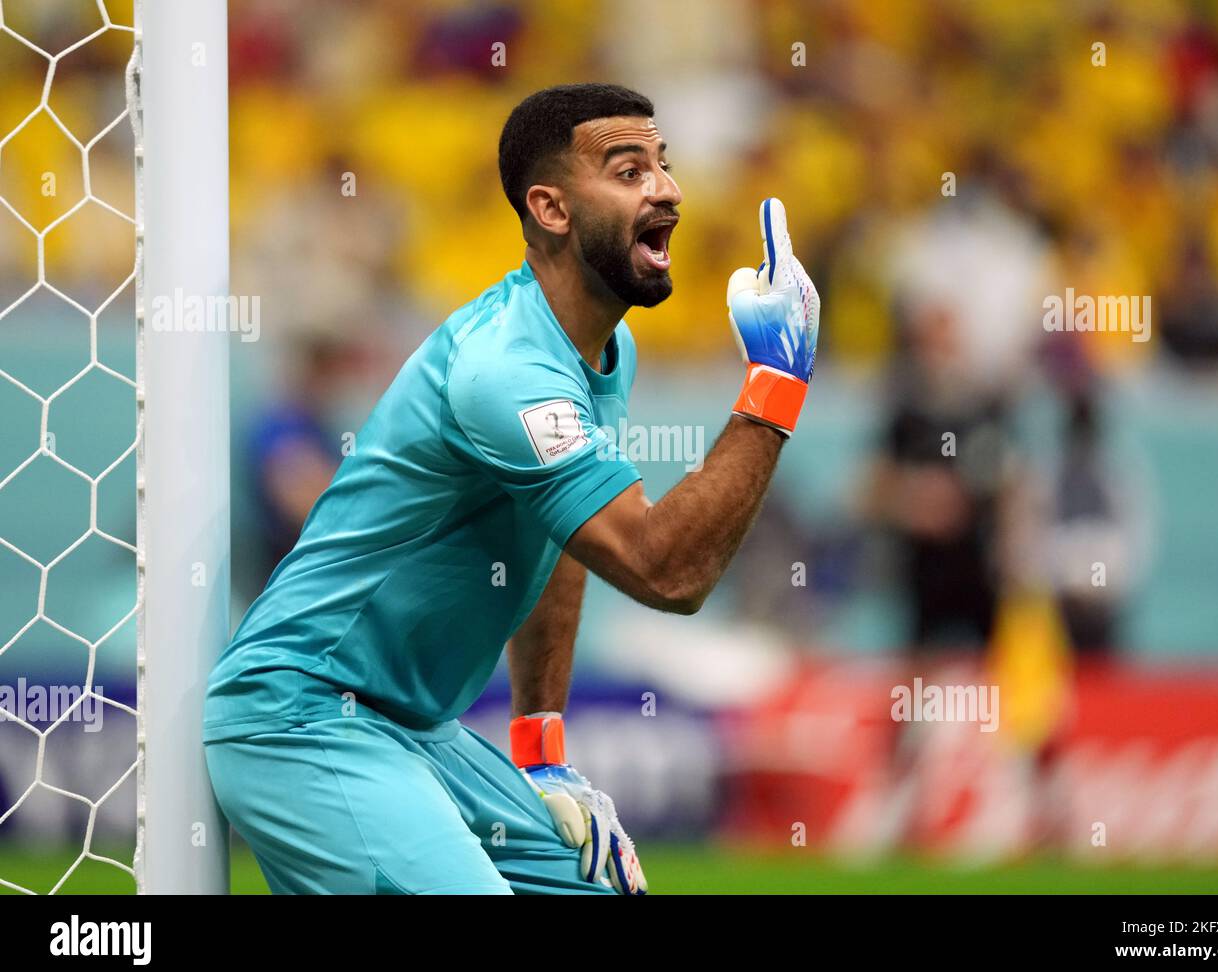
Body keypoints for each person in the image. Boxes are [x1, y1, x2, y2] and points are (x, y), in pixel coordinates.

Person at [202, 83, 820, 895]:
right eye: (629, 170)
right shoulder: (506, 368)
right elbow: (664, 569)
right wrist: (775, 384)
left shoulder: (604, 350)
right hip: (305, 713)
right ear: (552, 209)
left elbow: (565, 535)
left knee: (603, 886)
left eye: (663, 166)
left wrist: (542, 750)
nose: (667, 188)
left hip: (411, 726)